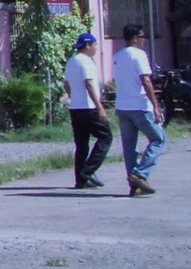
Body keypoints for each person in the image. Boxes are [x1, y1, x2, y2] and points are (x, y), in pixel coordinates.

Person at [111, 23, 164, 195]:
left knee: (129, 147)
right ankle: (140, 174)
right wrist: (156, 106)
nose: (144, 40)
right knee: (158, 139)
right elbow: (146, 80)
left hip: (122, 106)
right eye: (142, 37)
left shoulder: (117, 56)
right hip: (139, 105)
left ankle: (134, 185)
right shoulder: (139, 55)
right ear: (134, 38)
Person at [63, 32, 111, 188]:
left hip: (75, 108)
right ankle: (88, 170)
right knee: (105, 138)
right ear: (88, 45)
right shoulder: (86, 62)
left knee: (82, 144)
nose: (96, 48)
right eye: (95, 45)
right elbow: (89, 84)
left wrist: (73, 96)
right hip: (89, 107)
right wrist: (100, 107)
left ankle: (80, 180)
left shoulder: (71, 61)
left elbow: (67, 85)